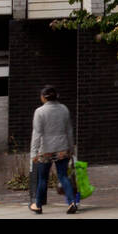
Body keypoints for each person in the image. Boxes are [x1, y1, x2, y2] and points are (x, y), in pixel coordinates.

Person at [29, 85, 78, 214]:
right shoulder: (64, 109)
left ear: (43, 98)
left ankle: (38, 205)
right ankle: (72, 202)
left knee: (43, 178)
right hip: (62, 147)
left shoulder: (39, 111)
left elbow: (37, 133)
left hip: (45, 149)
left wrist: (33, 153)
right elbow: (69, 130)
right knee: (63, 176)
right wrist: (71, 147)